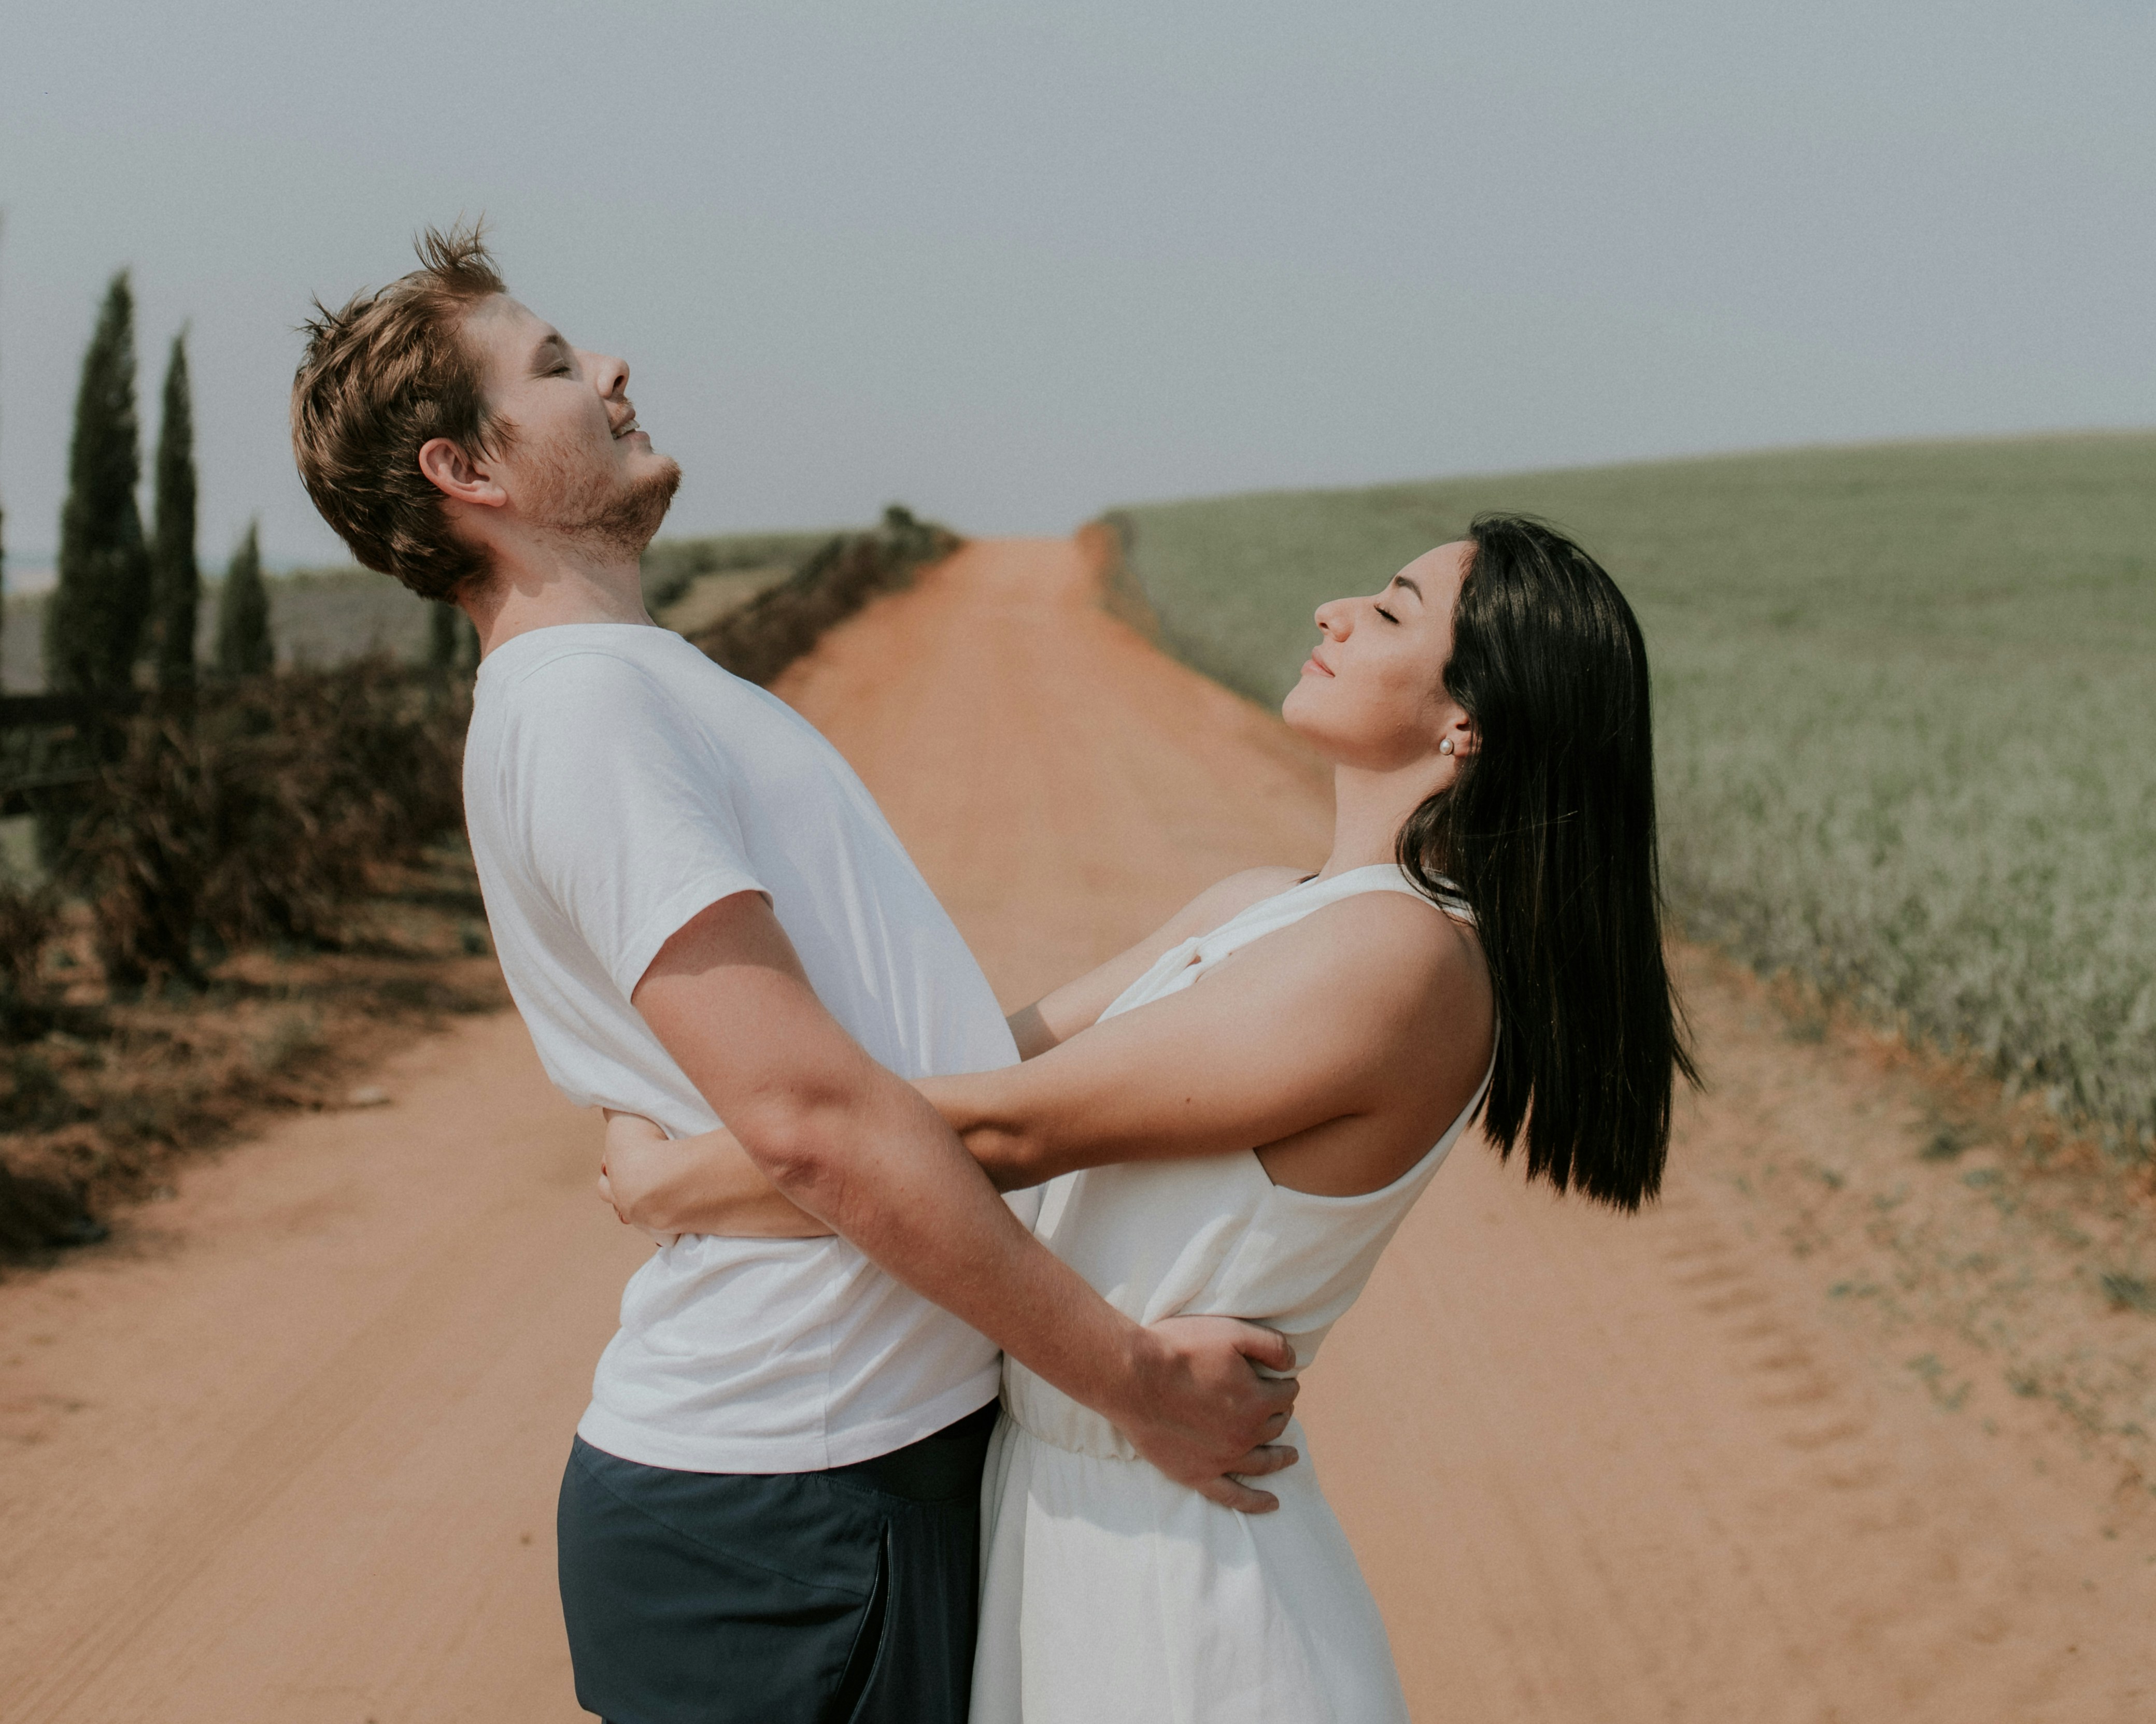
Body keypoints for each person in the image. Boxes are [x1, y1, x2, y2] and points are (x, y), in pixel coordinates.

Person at [289, 228, 1297, 1724]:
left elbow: (896, 1066)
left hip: (832, 1483)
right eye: (557, 365)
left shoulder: (641, 688)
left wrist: (1186, 950)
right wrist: (1134, 1381)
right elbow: (817, 1121)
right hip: (793, 1507)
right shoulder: (583, 714)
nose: (614, 367)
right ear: (469, 475)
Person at [602, 510, 1698, 1724]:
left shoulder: (1403, 956)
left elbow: (995, 1132)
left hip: (1179, 1572)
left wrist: (673, 1184)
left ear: (1468, 722)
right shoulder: (1261, 905)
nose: (1332, 612)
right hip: (1063, 1515)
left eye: (1389, 611)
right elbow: (960, 1065)